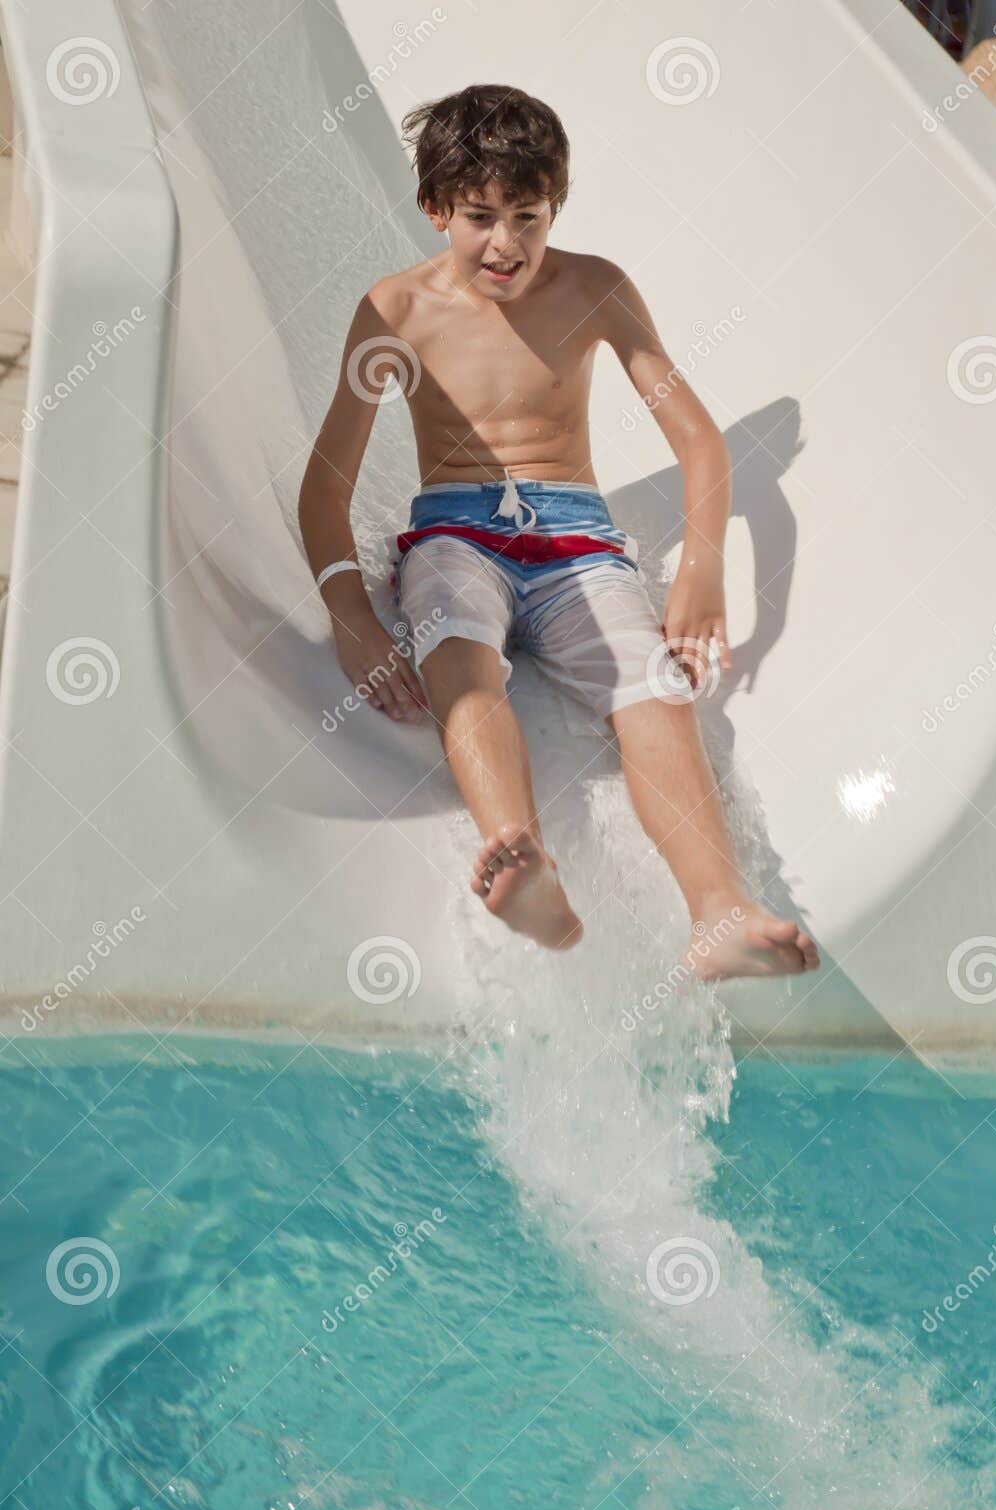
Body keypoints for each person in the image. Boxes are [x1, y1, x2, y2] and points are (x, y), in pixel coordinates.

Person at [298, 84, 819, 982]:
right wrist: (351, 617)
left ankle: (718, 909)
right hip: (457, 528)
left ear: (555, 208)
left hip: (576, 534)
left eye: (527, 217)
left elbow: (699, 441)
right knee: (457, 653)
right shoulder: (396, 312)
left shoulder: (594, 289)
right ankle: (520, 857)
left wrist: (701, 571)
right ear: (434, 209)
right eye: (480, 217)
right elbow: (325, 487)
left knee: (649, 684)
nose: (506, 243)